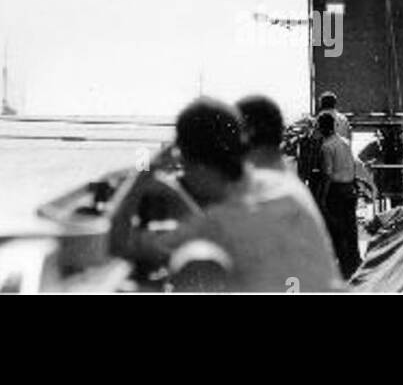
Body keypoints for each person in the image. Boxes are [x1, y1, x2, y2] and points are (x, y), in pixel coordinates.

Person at [109, 97, 341, 292]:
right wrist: (178, 196)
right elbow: (230, 223)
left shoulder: (219, 223)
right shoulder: (281, 182)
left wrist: (144, 175)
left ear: (196, 165)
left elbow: (118, 242)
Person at [317, 110, 361, 278]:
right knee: (351, 229)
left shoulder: (326, 147)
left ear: (321, 128)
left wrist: (322, 198)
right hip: (349, 189)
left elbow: (327, 175)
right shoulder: (345, 142)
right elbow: (352, 166)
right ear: (334, 126)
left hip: (336, 191)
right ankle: (353, 263)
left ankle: (341, 269)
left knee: (336, 230)